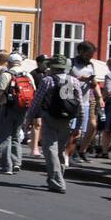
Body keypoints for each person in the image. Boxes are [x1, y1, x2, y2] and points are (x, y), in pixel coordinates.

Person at [25, 54, 77, 193]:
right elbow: (79, 104)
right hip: (67, 120)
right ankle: (54, 178)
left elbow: (37, 101)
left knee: (50, 150)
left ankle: (58, 182)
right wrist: (79, 125)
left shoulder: (47, 80)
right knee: (59, 150)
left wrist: (29, 118)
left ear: (52, 67)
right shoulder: (74, 81)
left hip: (50, 118)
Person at [0, 52, 33, 174]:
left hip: (8, 108)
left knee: (5, 137)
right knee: (16, 136)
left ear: (9, 63)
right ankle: (17, 163)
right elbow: (34, 92)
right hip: (23, 109)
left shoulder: (6, 74)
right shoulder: (28, 75)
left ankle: (7, 166)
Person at [65, 41, 101, 165]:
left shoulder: (90, 65)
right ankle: (66, 155)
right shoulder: (70, 63)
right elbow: (63, 80)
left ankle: (72, 154)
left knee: (79, 131)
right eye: (88, 54)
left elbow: (95, 83)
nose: (90, 57)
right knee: (70, 130)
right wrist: (78, 80)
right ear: (80, 52)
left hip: (85, 102)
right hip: (71, 100)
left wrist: (99, 97)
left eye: (91, 55)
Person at [100, 56, 111, 159]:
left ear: (109, 66)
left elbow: (107, 89)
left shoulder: (109, 75)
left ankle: (105, 152)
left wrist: (101, 98)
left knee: (107, 129)